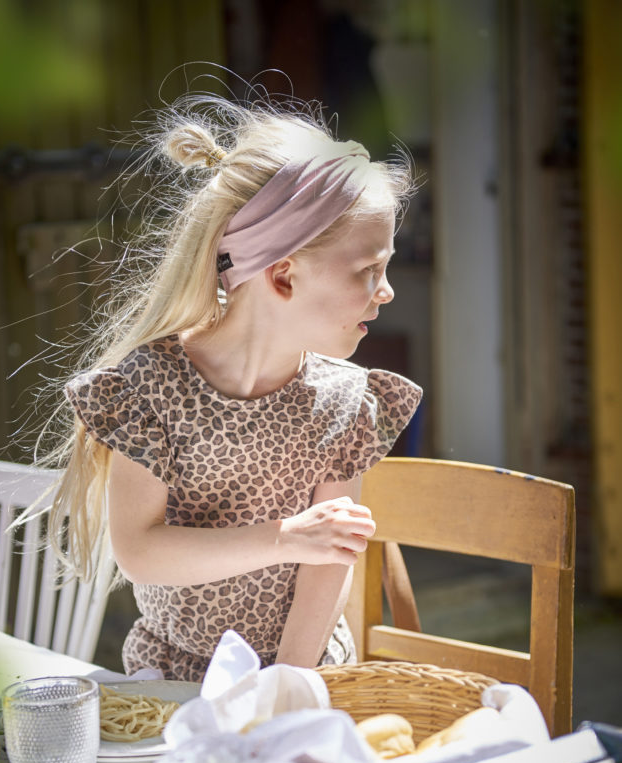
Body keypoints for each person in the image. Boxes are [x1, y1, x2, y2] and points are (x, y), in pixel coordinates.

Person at [48, 94, 422, 683]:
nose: (386, 291)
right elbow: (140, 551)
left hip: (303, 675)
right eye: (367, 271)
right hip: (174, 680)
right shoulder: (150, 387)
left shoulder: (346, 402)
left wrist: (283, 690)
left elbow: (329, 567)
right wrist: (284, 538)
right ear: (282, 274)